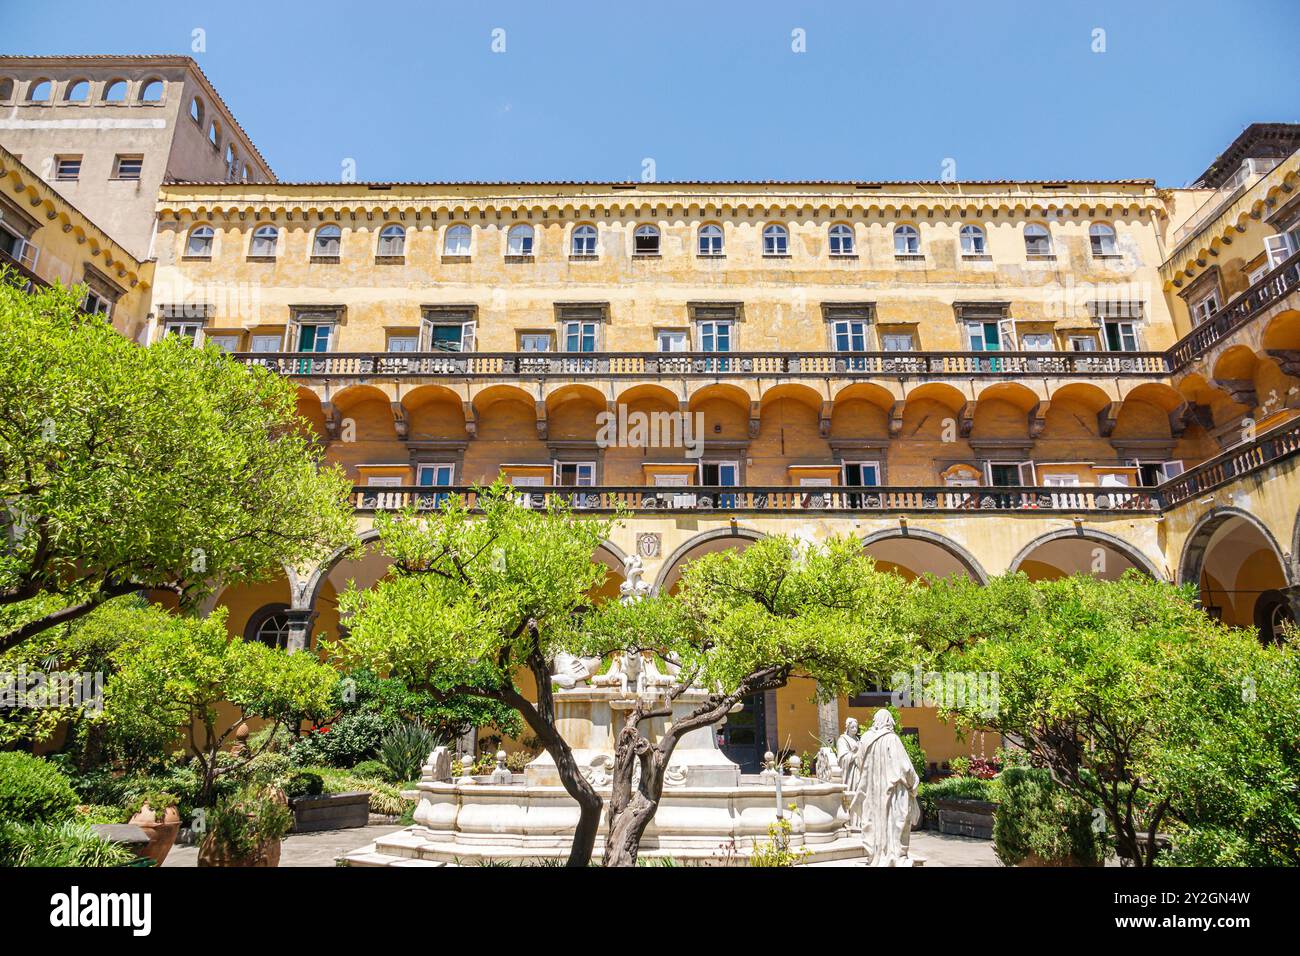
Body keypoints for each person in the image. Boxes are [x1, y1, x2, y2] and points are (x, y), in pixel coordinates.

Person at [849, 710, 920, 866]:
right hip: (893, 791)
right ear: (889, 721)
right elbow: (905, 767)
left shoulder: (865, 739)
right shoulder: (892, 739)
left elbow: (860, 764)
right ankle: (893, 856)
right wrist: (914, 784)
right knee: (894, 823)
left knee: (875, 822)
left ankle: (876, 856)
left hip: (873, 791)